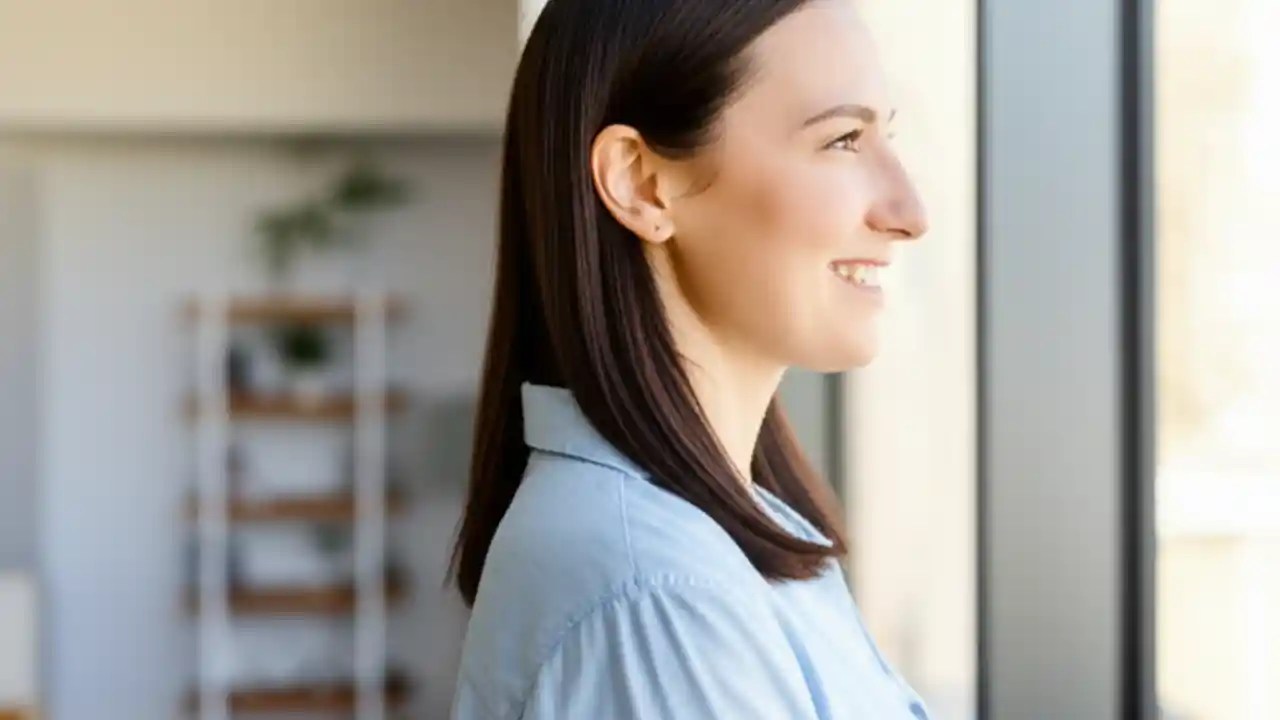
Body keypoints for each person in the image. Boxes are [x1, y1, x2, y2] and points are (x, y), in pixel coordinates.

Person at [448, 0, 929, 717]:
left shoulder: (715, 543)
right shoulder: (657, 596)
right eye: (842, 140)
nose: (909, 211)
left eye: (887, 135)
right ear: (642, 184)